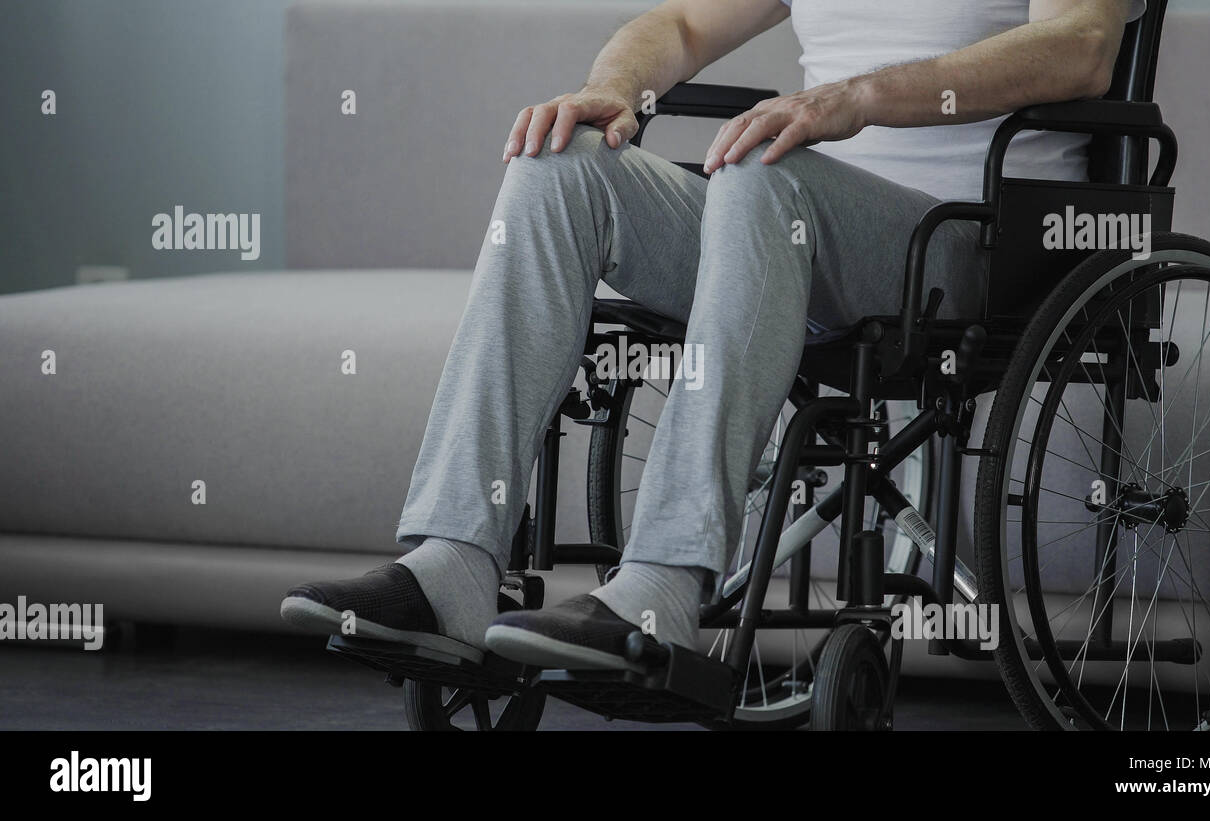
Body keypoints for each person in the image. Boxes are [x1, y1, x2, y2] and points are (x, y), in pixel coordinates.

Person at [281, 0, 1145, 671]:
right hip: (790, 215)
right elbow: (682, 23)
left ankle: (662, 583)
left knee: (767, 178)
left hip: (972, 237)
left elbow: (1082, 45)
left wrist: (858, 97)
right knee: (560, 165)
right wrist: (616, 87)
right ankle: (455, 565)